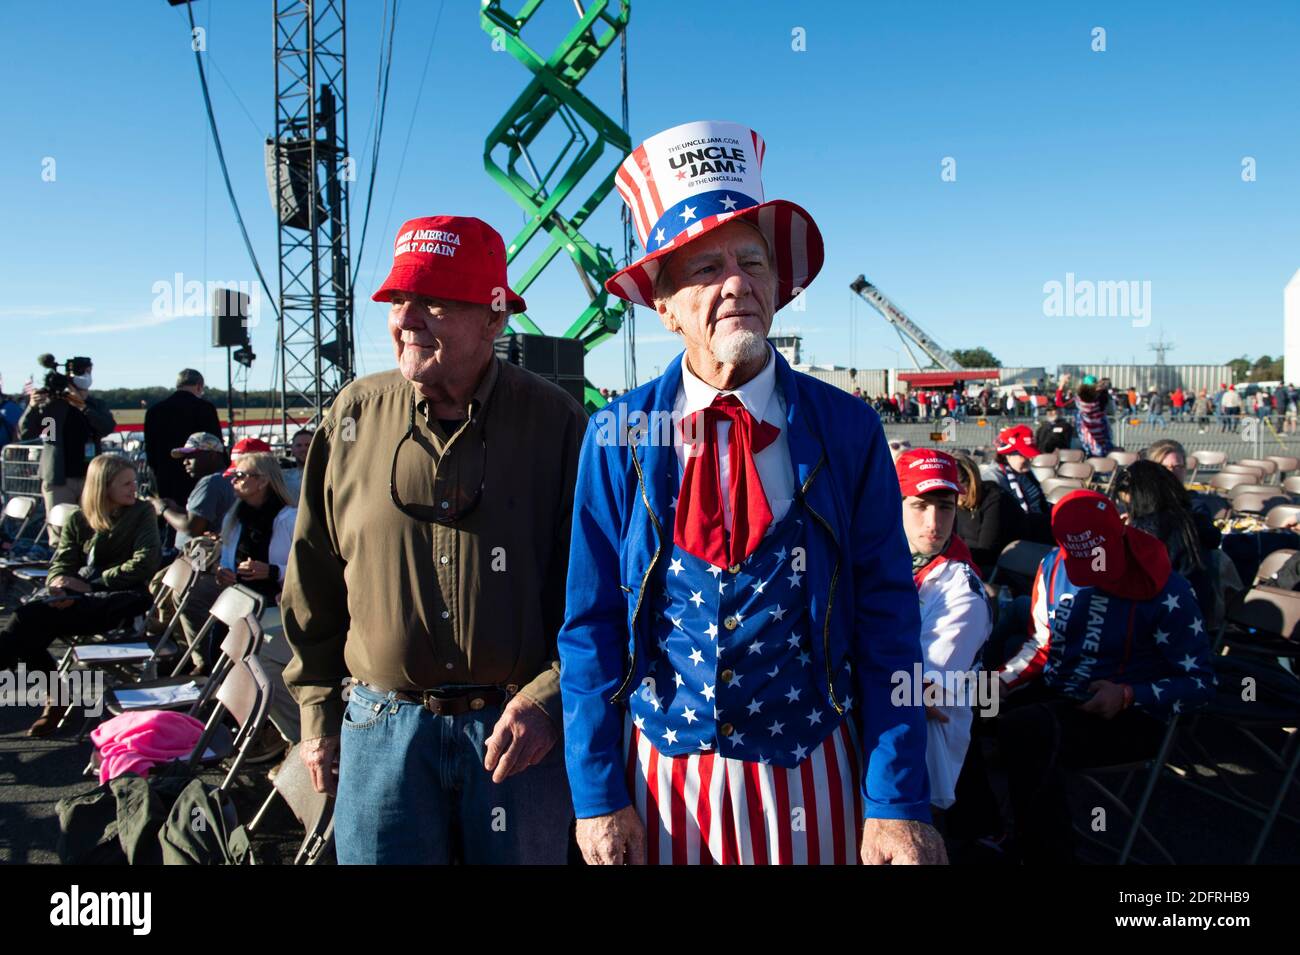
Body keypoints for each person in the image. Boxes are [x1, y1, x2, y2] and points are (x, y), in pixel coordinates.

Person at [560, 120, 944, 866]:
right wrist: (598, 792)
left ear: (777, 286)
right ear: (665, 305)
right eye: (705, 268)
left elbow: (890, 620)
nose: (735, 281)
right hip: (663, 788)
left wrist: (897, 801)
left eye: (752, 262)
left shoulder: (848, 428)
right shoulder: (616, 433)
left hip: (815, 777)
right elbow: (590, 627)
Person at [280, 214, 585, 865]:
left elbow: (596, 591)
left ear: (494, 321)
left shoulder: (555, 423)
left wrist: (551, 699)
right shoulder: (353, 416)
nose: (408, 318)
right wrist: (315, 712)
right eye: (398, 299)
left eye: (436, 301)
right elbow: (312, 574)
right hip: (379, 734)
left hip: (517, 739)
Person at [994, 490, 1215, 863]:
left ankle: (1047, 853)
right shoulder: (1052, 566)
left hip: (1131, 716)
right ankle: (984, 831)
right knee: (967, 707)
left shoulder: (1168, 588)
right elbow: (1041, 645)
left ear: (1123, 528)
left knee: (1026, 731)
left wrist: (1129, 694)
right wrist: (996, 682)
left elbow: (1201, 684)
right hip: (1060, 692)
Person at [0, 453, 160, 736]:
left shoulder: (141, 512)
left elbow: (145, 562)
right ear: (103, 486)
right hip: (80, 597)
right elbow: (62, 560)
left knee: (29, 624)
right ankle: (55, 696)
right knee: (28, 623)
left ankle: (55, 697)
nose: (134, 488)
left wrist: (93, 584)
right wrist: (58, 584)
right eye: (126, 484)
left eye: (134, 482)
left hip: (122, 599)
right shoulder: (78, 518)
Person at [896, 449, 991, 812]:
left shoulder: (962, 590)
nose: (933, 522)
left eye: (945, 507)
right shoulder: (878, 563)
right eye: (920, 506)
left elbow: (916, 693)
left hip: (922, 761)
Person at [18, 356, 116, 545]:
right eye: (81, 372)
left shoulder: (95, 405)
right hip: (59, 478)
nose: (85, 376)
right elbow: (26, 433)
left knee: (90, 528)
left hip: (89, 477)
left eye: (88, 371)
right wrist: (32, 407)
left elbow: (106, 427)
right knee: (60, 532)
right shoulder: (53, 407)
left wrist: (82, 406)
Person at [1113, 460, 1222, 625]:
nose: (1130, 511)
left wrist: (1126, 532)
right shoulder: (1192, 518)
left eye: (1131, 506)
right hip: (1197, 609)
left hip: (1161, 616)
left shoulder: (1148, 531)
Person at [144, 369, 222, 506]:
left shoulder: (154, 411)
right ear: (199, 386)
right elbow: (216, 445)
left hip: (166, 478)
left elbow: (150, 452)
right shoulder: (205, 408)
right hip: (198, 479)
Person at [148, 432, 235, 549]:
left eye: (191, 456)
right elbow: (204, 519)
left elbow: (191, 528)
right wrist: (177, 510)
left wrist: (163, 509)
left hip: (198, 556)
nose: (185, 462)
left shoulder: (210, 482)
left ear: (212, 455)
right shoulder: (228, 478)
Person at [949, 449, 1023, 578]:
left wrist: (948, 555)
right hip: (965, 562)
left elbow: (987, 553)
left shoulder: (994, 499)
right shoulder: (952, 504)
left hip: (999, 566)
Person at [992, 424, 1051, 542]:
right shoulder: (995, 479)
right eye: (1024, 456)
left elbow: (1041, 503)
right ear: (1007, 455)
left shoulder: (1025, 472)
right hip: (1019, 537)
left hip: (1039, 527)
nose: (1029, 460)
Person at [1073, 376, 1114, 457]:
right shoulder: (1103, 399)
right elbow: (1111, 411)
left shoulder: (1078, 402)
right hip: (1102, 437)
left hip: (1084, 438)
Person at [281, 428, 312, 500]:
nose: (303, 449)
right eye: (299, 445)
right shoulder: (284, 478)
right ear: (292, 448)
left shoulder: (326, 474)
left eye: (307, 445)